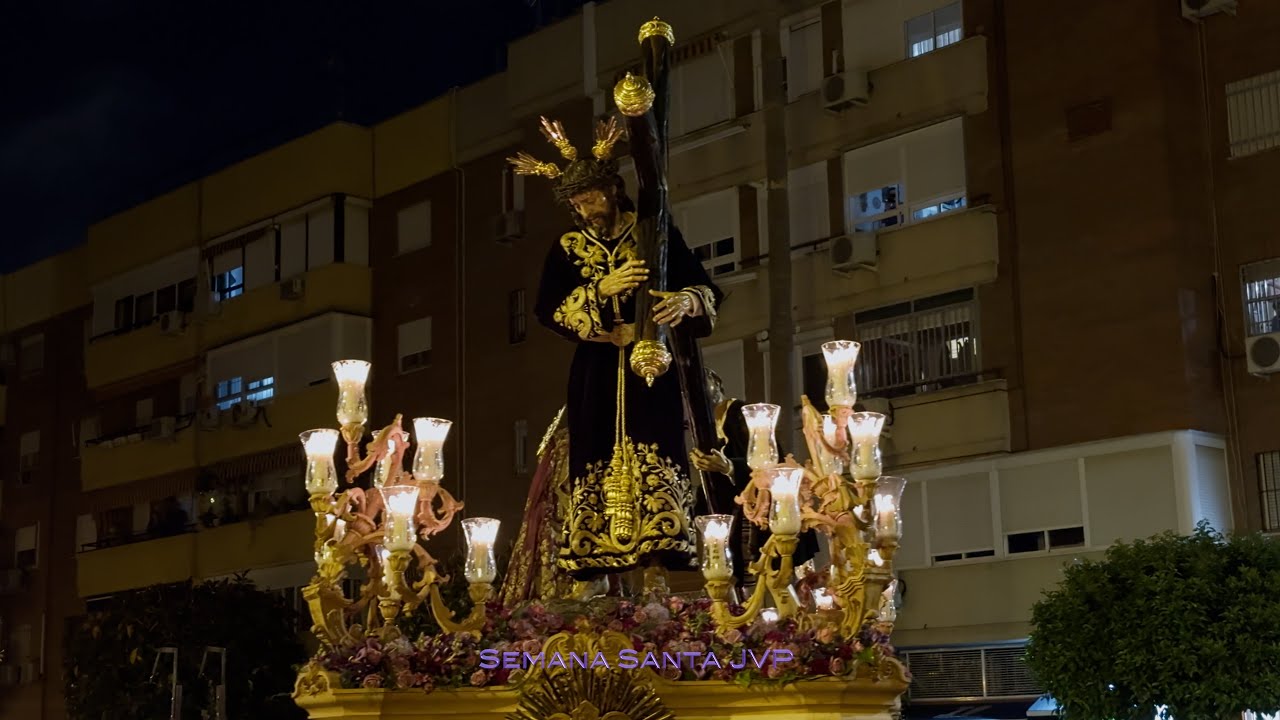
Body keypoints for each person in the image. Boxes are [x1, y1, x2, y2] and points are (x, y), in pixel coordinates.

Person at [510, 116, 723, 596]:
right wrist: (599, 292)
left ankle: (656, 569)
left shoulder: (654, 232)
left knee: (658, 453)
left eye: (591, 198)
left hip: (653, 366)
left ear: (613, 189)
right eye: (577, 203)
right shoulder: (568, 247)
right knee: (595, 459)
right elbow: (548, 310)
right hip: (598, 372)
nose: (585, 209)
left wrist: (685, 302)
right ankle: (593, 572)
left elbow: (705, 288)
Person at [690, 369, 820, 593]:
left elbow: (766, 464)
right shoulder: (707, 427)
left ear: (717, 385)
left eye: (703, 383)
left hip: (761, 510)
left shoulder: (740, 414)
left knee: (771, 574)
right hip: (735, 514)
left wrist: (729, 466)